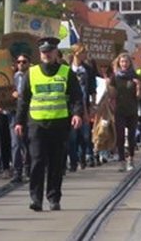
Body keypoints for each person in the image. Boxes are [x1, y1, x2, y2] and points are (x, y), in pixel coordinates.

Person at [15, 37, 84, 212]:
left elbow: (76, 96)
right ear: (40, 54)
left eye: (50, 51)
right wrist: (19, 122)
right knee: (37, 161)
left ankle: (54, 198)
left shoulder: (66, 72)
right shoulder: (32, 73)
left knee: (56, 163)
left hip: (59, 124)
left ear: (56, 53)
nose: (46, 54)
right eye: (43, 52)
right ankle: (36, 199)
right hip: (36, 124)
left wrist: (76, 114)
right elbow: (24, 100)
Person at [108, 53, 141, 172]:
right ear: (119, 63)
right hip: (119, 110)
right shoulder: (115, 77)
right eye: (122, 62)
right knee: (120, 136)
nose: (124, 64)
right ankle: (122, 161)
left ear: (130, 63)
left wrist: (138, 86)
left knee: (132, 136)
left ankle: (131, 159)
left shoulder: (135, 76)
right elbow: (112, 95)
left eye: (126, 62)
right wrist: (109, 86)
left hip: (132, 109)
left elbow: (139, 97)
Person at [9, 54, 31, 184]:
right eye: (19, 62)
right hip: (14, 113)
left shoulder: (32, 75)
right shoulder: (12, 77)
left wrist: (22, 95)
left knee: (28, 142)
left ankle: (28, 168)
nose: (21, 64)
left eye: (24, 61)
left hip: (29, 113)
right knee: (16, 143)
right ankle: (17, 171)